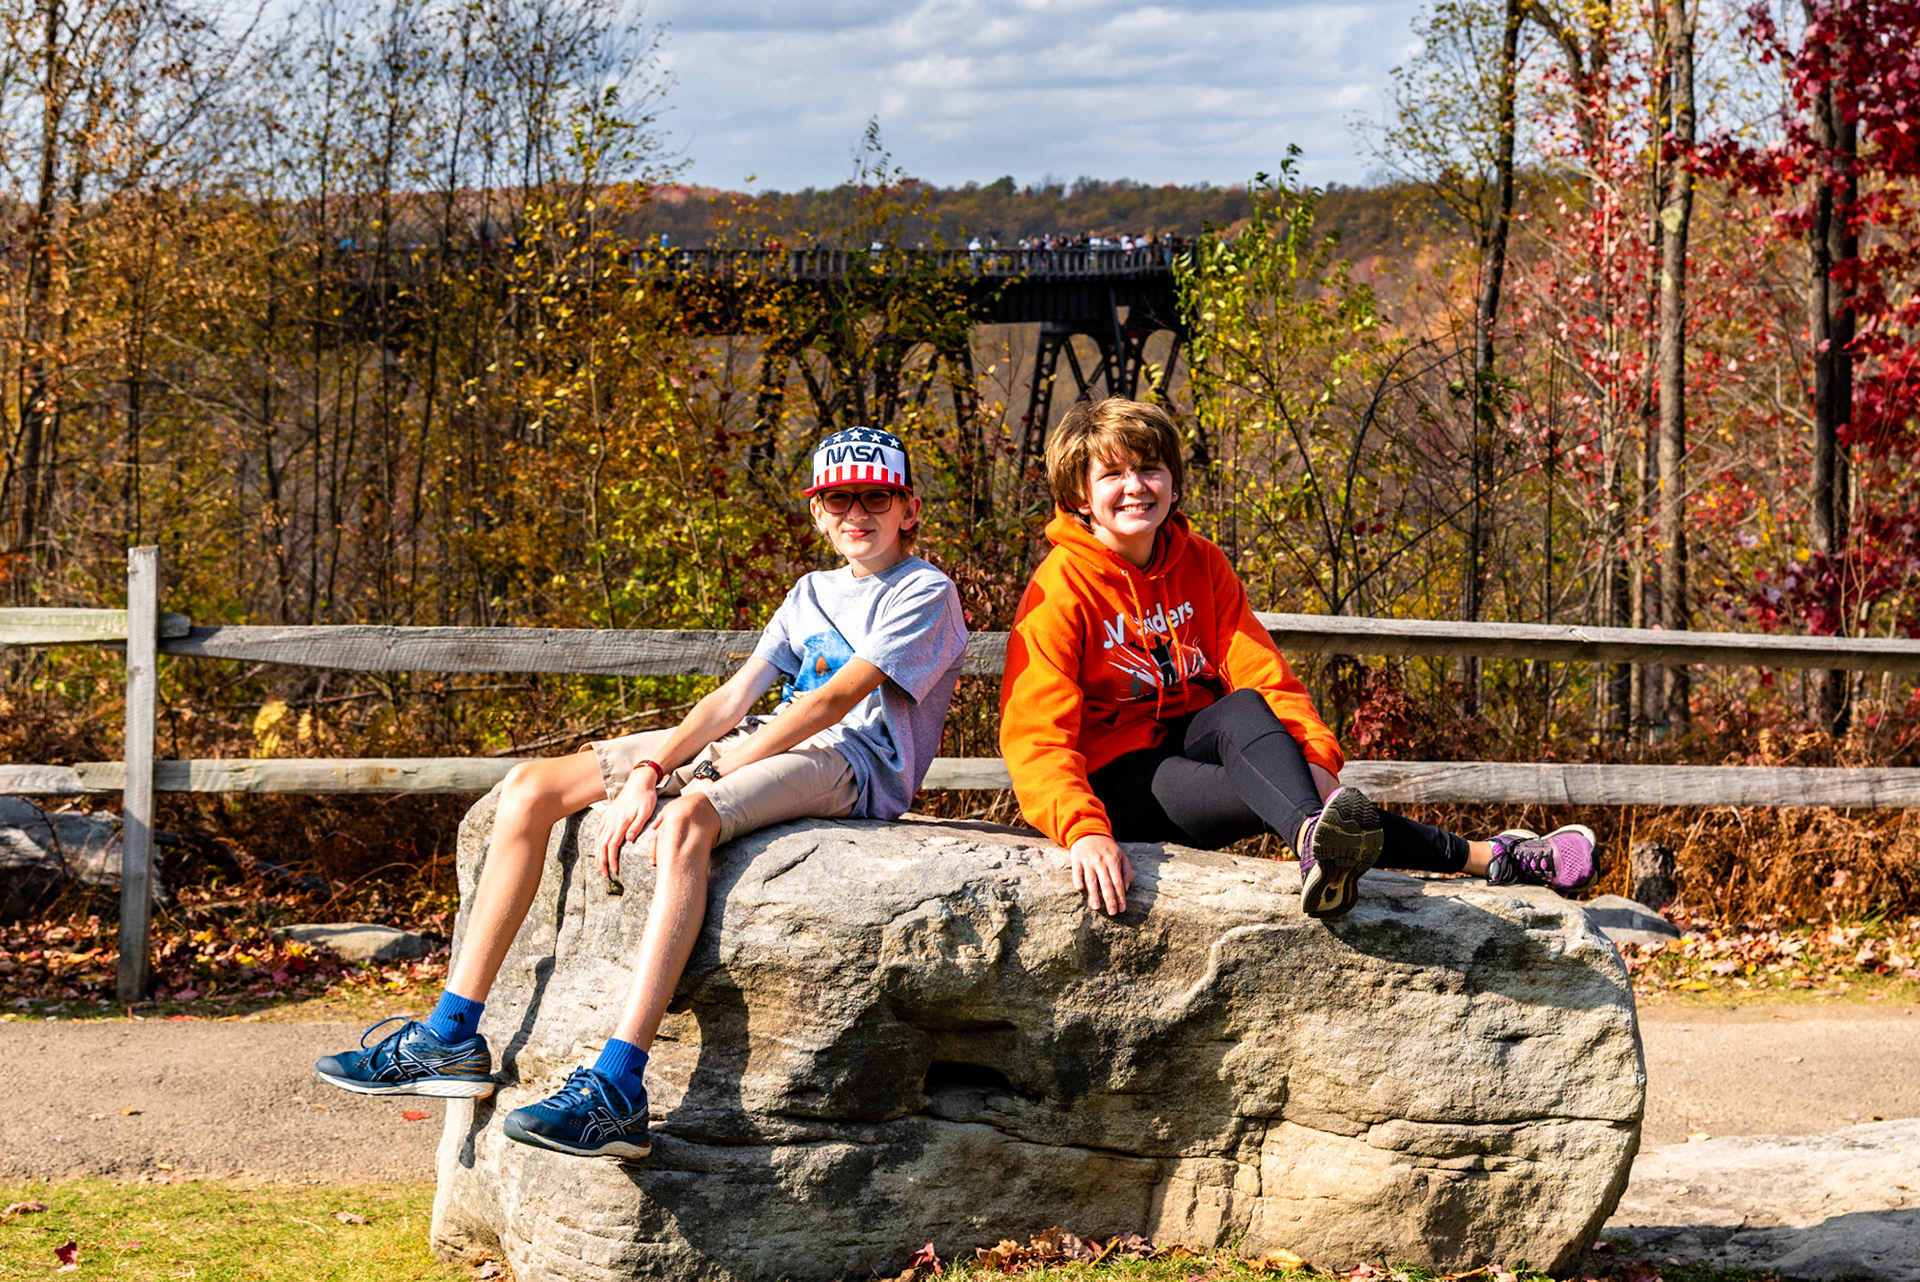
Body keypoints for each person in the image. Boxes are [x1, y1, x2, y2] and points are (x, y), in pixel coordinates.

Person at [313, 427, 970, 1159]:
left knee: (684, 822)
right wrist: (652, 769)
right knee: (529, 786)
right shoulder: (810, 592)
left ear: (908, 508)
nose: (857, 512)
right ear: (817, 513)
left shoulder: (926, 592)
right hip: (766, 734)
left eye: (875, 497)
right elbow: (732, 698)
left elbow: (830, 705)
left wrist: (699, 779)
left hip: (852, 761)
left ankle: (619, 1086)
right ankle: (449, 1036)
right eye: (838, 498)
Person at [998, 398, 1596, 919]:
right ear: (1080, 495)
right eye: (1114, 474)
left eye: (1150, 469)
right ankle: (1490, 857)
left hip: (1188, 737)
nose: (1136, 486)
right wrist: (1084, 832)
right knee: (1280, 797)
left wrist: (1316, 763)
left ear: (1174, 483)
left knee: (1250, 714)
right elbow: (1034, 734)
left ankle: (1317, 838)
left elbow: (1262, 673)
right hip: (1120, 781)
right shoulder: (1060, 588)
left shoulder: (1201, 562)